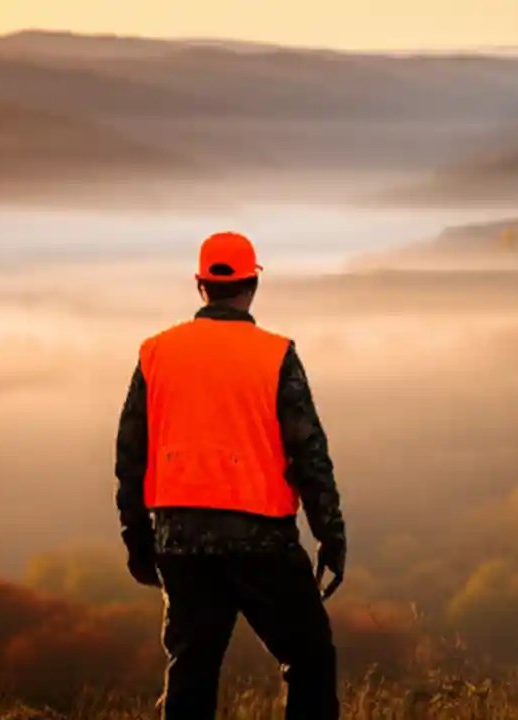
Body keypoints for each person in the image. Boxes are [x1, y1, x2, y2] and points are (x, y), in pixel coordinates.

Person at [114, 231, 346, 719]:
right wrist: (331, 536)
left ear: (201, 285)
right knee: (311, 659)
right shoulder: (276, 354)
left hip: (180, 540)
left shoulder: (156, 353)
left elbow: (130, 453)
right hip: (261, 541)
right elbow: (309, 452)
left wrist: (136, 537)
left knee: (191, 672)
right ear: (252, 285)